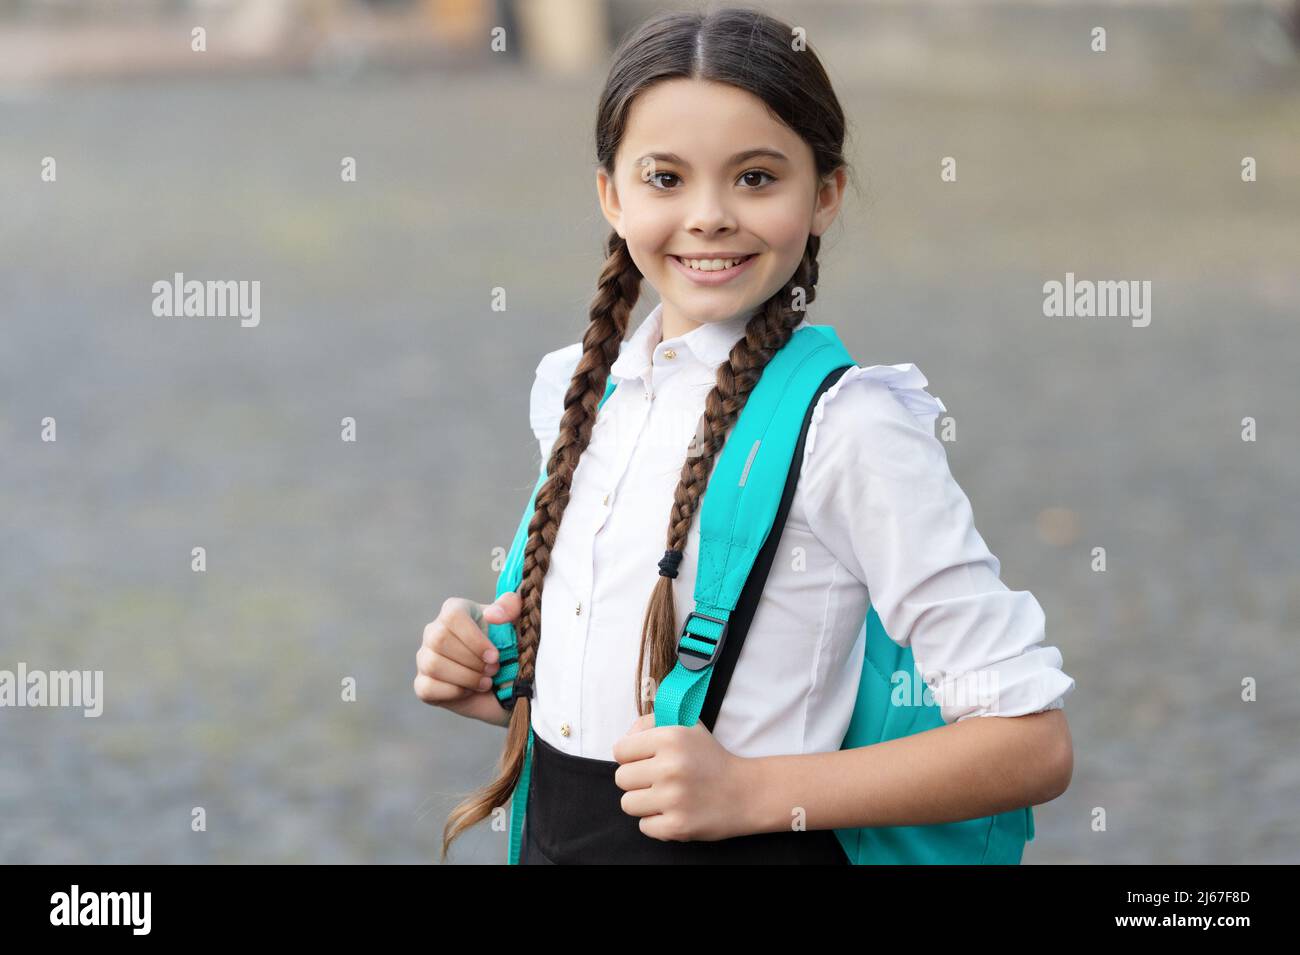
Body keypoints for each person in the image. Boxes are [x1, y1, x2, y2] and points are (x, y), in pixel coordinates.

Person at [417, 6, 1076, 865]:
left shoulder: (851, 428)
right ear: (611, 194)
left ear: (825, 194)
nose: (710, 215)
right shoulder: (579, 392)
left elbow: (1032, 743)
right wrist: (496, 674)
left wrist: (752, 790)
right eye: (664, 178)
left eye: (757, 178)